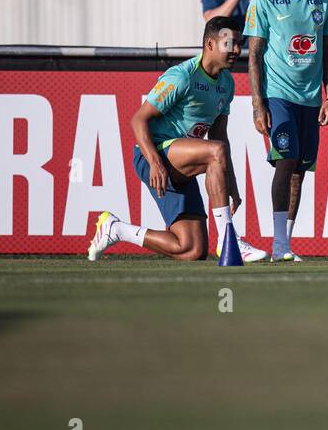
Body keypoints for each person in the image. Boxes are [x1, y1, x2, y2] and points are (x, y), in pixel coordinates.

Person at [89, 16, 267, 263]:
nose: (237, 50)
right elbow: (138, 119)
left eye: (239, 44)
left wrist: (231, 184)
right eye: (230, 44)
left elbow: (219, 138)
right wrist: (155, 162)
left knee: (191, 250)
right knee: (214, 152)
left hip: (184, 160)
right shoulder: (182, 77)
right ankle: (228, 238)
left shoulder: (226, 83)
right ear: (210, 44)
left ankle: (116, 229)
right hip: (153, 156)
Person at [244, 0, 328, 261]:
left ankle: (285, 245)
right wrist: (258, 104)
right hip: (278, 95)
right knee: (285, 162)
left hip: (311, 98)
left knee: (300, 170)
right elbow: (254, 54)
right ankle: (279, 244)